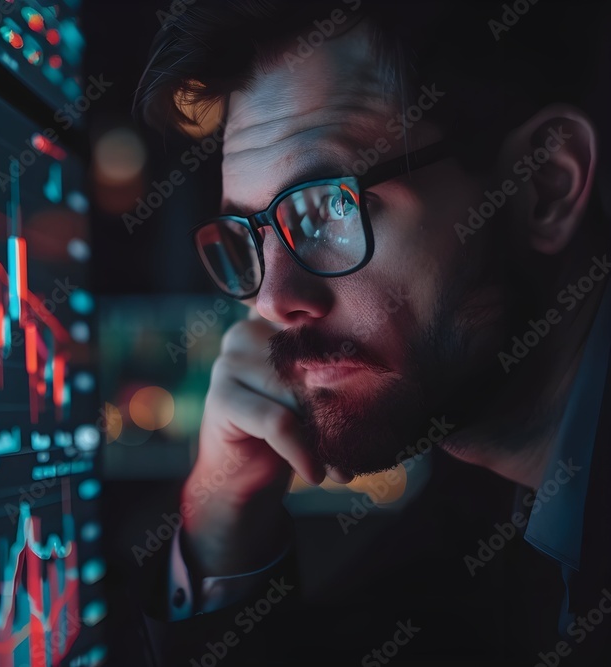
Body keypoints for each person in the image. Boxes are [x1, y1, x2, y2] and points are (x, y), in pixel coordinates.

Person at [131, 1, 611, 664]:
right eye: (251, 236)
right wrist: (224, 525)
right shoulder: (470, 506)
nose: (273, 299)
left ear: (544, 187)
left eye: (329, 206)